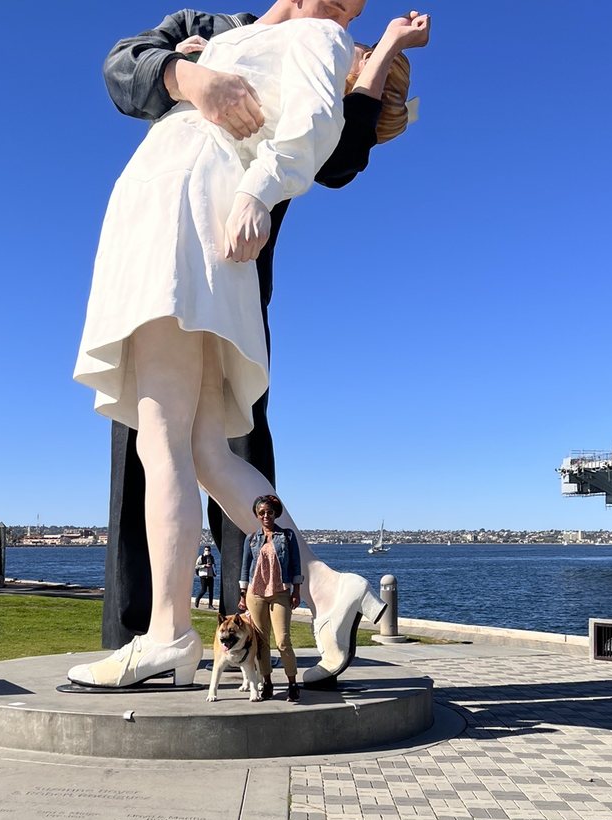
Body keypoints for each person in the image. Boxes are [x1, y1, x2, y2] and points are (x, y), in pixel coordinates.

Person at [68, 1, 425, 689]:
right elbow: (124, 65)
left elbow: (324, 130)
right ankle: (324, 586)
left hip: (183, 215)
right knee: (203, 449)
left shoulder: (318, 36)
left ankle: (169, 632)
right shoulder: (224, 32)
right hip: (175, 209)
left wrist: (259, 190)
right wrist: (192, 69)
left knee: (162, 436)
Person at [239, 494, 301, 701]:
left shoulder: (287, 537)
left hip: (280, 592)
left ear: (276, 514)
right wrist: (242, 595)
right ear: (257, 515)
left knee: (283, 640)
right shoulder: (251, 539)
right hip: (255, 594)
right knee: (262, 641)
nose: (266, 516)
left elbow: (295, 566)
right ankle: (267, 682)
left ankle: (293, 683)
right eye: (262, 513)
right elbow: (245, 568)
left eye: (270, 512)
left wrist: (296, 591)